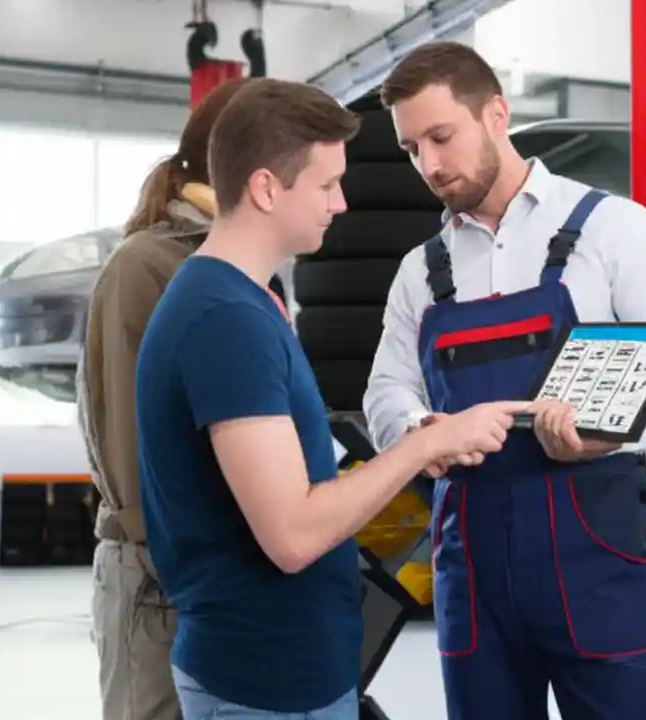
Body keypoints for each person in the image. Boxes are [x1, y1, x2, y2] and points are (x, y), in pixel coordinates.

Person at [132, 77, 529, 720]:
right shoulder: (223, 320)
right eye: (324, 185)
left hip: (283, 671)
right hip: (266, 685)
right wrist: (427, 442)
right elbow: (292, 533)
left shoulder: (242, 301)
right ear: (265, 187)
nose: (341, 203)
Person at [363, 42, 646, 720]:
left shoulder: (610, 230)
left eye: (441, 137)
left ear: (495, 114)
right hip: (472, 573)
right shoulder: (421, 271)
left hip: (599, 561)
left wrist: (603, 432)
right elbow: (385, 391)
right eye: (413, 149)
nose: (430, 165)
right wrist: (420, 432)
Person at [76, 76, 251, 720]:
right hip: (161, 579)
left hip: (218, 571)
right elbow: (129, 444)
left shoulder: (239, 269)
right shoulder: (146, 266)